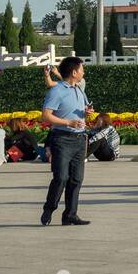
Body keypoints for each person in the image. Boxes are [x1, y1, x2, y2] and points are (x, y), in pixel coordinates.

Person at [40, 57, 92, 226]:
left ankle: (70, 214)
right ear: (74, 72)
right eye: (82, 69)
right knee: (61, 177)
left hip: (79, 139)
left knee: (76, 179)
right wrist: (68, 122)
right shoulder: (57, 91)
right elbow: (46, 116)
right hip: (62, 139)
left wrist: (87, 112)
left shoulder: (79, 89)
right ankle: (49, 208)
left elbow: (82, 110)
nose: (83, 72)